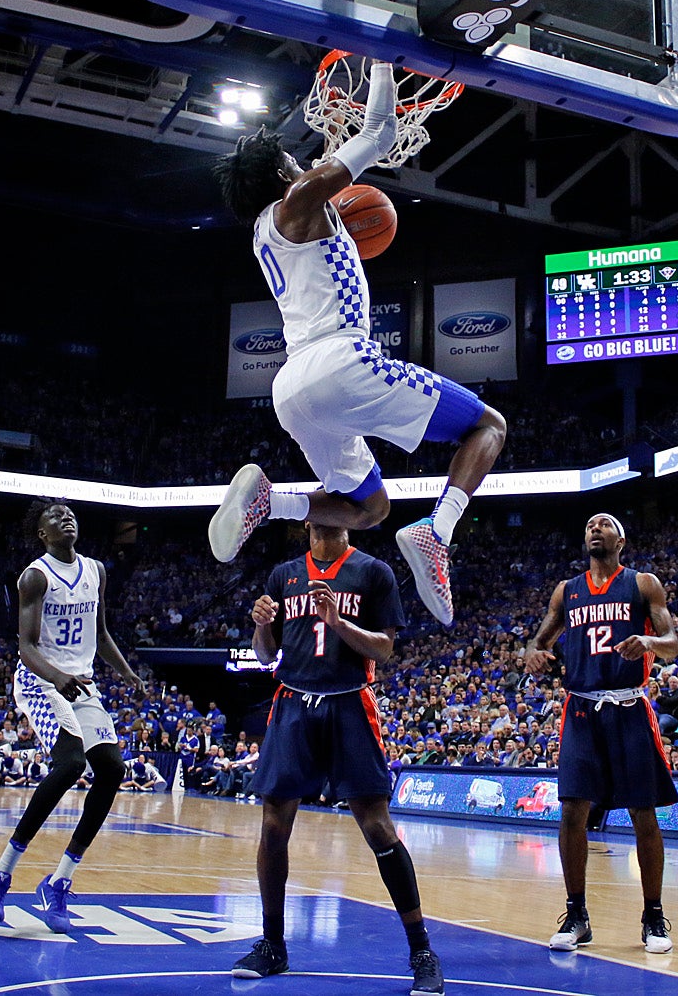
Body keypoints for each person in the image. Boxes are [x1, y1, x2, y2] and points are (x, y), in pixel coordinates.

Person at [209, 68, 507, 627]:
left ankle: (269, 503)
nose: (305, 168)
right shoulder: (297, 200)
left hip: (293, 388)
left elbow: (330, 175)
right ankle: (437, 532)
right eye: (295, 165)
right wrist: (382, 60)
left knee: (369, 509)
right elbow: (379, 133)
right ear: (282, 173)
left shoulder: (265, 231)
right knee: (488, 426)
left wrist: (332, 151)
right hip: (341, 361)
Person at [229, 522, 444, 995]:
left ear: (350, 516)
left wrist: (339, 623)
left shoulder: (373, 572)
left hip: (349, 700)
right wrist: (262, 625)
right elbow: (266, 655)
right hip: (292, 702)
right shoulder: (283, 574)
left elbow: (385, 649)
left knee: (378, 827)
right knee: (272, 826)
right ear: (307, 519)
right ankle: (272, 945)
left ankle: (422, 951)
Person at [0, 501, 144, 931]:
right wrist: (57, 675)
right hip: (39, 681)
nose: (66, 517)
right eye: (55, 515)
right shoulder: (35, 576)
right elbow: (26, 646)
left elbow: (100, 633)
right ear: (42, 534)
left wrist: (126, 672)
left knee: (111, 768)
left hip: (80, 682)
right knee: (69, 763)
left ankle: (60, 880)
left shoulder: (96, 571)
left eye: (70, 513)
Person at [522, 513, 678, 955]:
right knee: (572, 810)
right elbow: (540, 641)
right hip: (582, 709)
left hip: (629, 704)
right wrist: (534, 653)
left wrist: (648, 643)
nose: (594, 528)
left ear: (621, 540)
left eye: (604, 523)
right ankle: (576, 915)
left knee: (642, 813)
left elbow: (673, 643)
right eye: (589, 524)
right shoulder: (566, 591)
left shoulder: (642, 584)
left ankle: (653, 917)